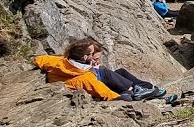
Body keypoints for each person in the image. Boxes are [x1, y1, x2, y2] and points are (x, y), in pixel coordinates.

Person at [34, 38, 165, 101]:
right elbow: (107, 94)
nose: (94, 58)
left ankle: (146, 89)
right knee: (110, 76)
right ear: (85, 57)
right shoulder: (86, 78)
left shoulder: (58, 61)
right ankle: (145, 93)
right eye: (92, 55)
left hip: (73, 79)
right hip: (91, 89)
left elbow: (38, 59)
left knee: (119, 73)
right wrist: (123, 98)